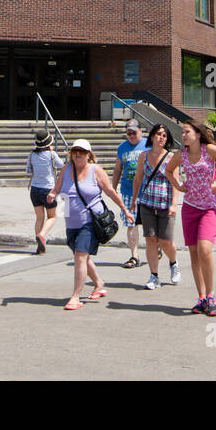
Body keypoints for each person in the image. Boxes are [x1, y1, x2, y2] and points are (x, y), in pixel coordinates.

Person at [164, 120, 216, 316]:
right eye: (182, 133)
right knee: (194, 254)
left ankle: (211, 295)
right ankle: (201, 297)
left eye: (187, 132)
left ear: (198, 134)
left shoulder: (210, 150)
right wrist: (179, 185)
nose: (183, 135)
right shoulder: (181, 155)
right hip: (190, 208)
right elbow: (168, 170)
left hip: (209, 208)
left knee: (205, 250)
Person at [48, 138, 133, 310]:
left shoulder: (96, 170)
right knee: (83, 257)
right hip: (71, 220)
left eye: (82, 152)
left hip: (89, 221)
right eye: (75, 151)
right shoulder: (66, 169)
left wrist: (125, 210)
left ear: (89, 155)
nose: (78, 154)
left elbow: (110, 191)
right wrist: (52, 194)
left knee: (80, 256)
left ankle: (75, 296)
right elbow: (57, 188)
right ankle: (99, 283)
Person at [132, 123, 181, 289]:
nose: (161, 138)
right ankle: (154, 276)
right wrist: (133, 200)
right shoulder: (143, 156)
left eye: (164, 135)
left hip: (165, 204)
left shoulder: (171, 157)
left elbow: (175, 182)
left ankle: (173, 263)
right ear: (152, 136)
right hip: (147, 203)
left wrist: (174, 204)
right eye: (159, 134)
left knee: (166, 241)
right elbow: (138, 178)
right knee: (151, 240)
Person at [112, 121, 147, 268]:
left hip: (147, 190)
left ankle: (155, 246)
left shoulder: (148, 144)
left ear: (141, 131)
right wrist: (112, 188)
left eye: (134, 132)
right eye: (129, 133)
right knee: (131, 224)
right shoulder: (122, 147)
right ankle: (134, 256)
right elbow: (118, 169)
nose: (131, 135)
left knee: (150, 223)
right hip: (127, 191)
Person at [25, 129, 64, 253]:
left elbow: (28, 171)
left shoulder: (31, 155)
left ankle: (39, 247)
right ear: (49, 143)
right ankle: (41, 235)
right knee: (52, 216)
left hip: (34, 190)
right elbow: (61, 165)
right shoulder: (51, 154)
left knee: (39, 218)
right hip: (48, 189)